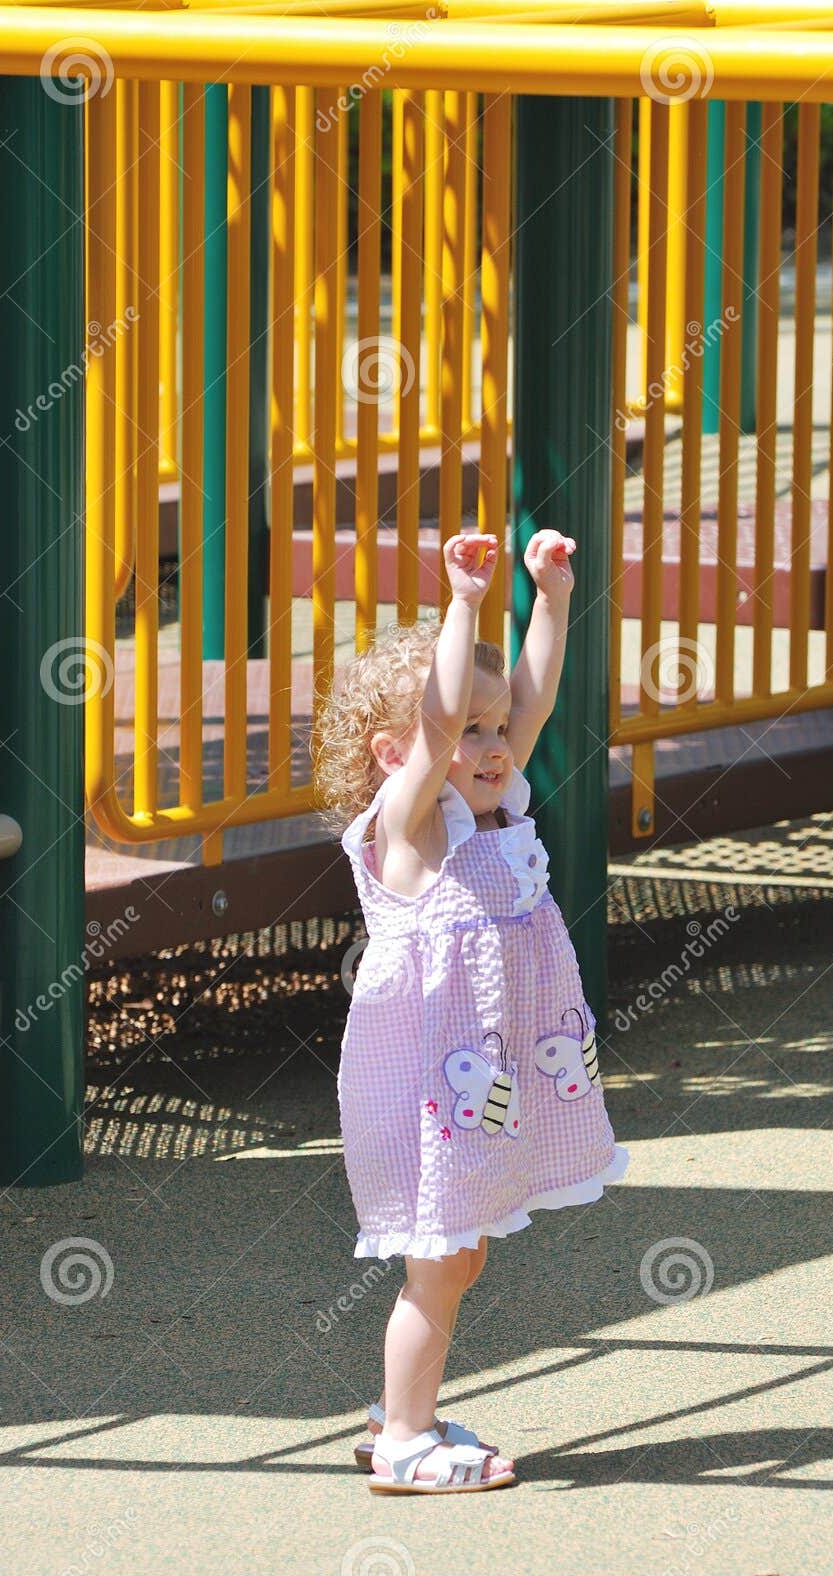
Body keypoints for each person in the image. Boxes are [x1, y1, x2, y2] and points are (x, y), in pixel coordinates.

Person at [313, 529, 628, 1494]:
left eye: (499, 732)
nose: (495, 746)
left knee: (460, 1255)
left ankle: (395, 1415)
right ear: (393, 752)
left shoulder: (487, 813)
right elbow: (444, 722)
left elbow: (526, 697)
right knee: (438, 1262)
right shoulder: (407, 828)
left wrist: (554, 596)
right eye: (472, 734)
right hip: (423, 1094)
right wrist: (462, 603)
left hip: (473, 1082)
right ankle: (407, 1441)